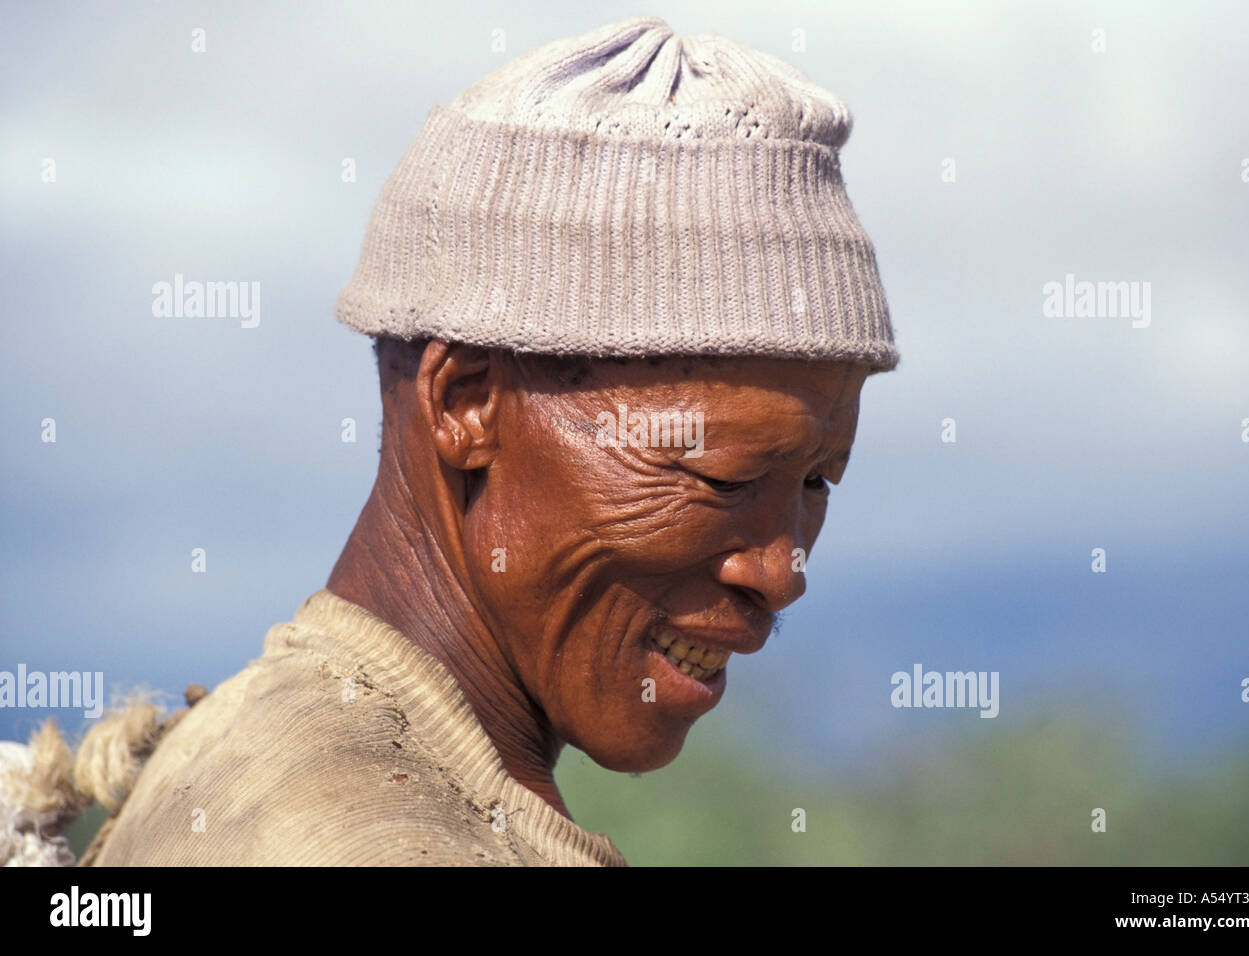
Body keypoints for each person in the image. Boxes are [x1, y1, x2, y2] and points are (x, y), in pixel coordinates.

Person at [7, 15, 900, 867]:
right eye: (720, 478)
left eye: (821, 481)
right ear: (467, 401)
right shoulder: (363, 841)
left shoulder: (267, 760)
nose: (782, 575)